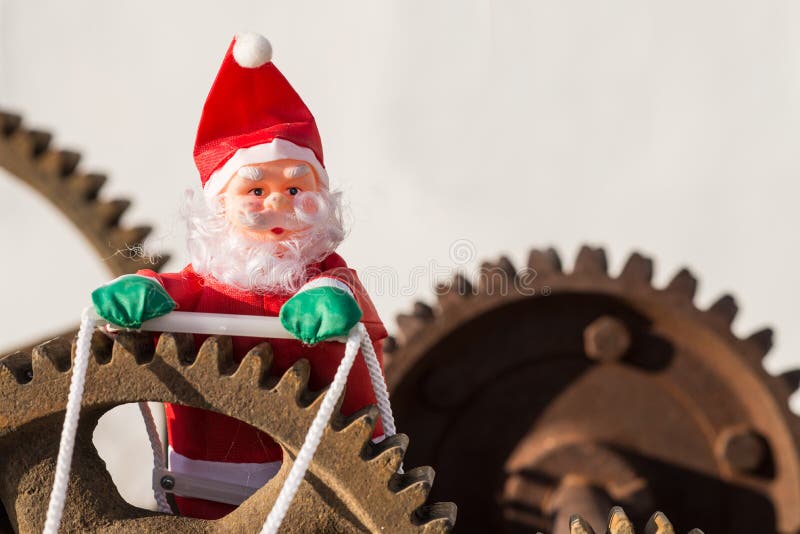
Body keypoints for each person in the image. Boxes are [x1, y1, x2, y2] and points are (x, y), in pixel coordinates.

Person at [91, 33, 387, 520]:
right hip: (202, 473)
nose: (276, 202)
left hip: (323, 476)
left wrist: (325, 297)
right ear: (219, 205)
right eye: (255, 190)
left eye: (294, 187)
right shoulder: (209, 279)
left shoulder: (324, 272)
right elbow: (180, 288)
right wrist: (145, 289)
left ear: (320, 198)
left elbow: (339, 288)